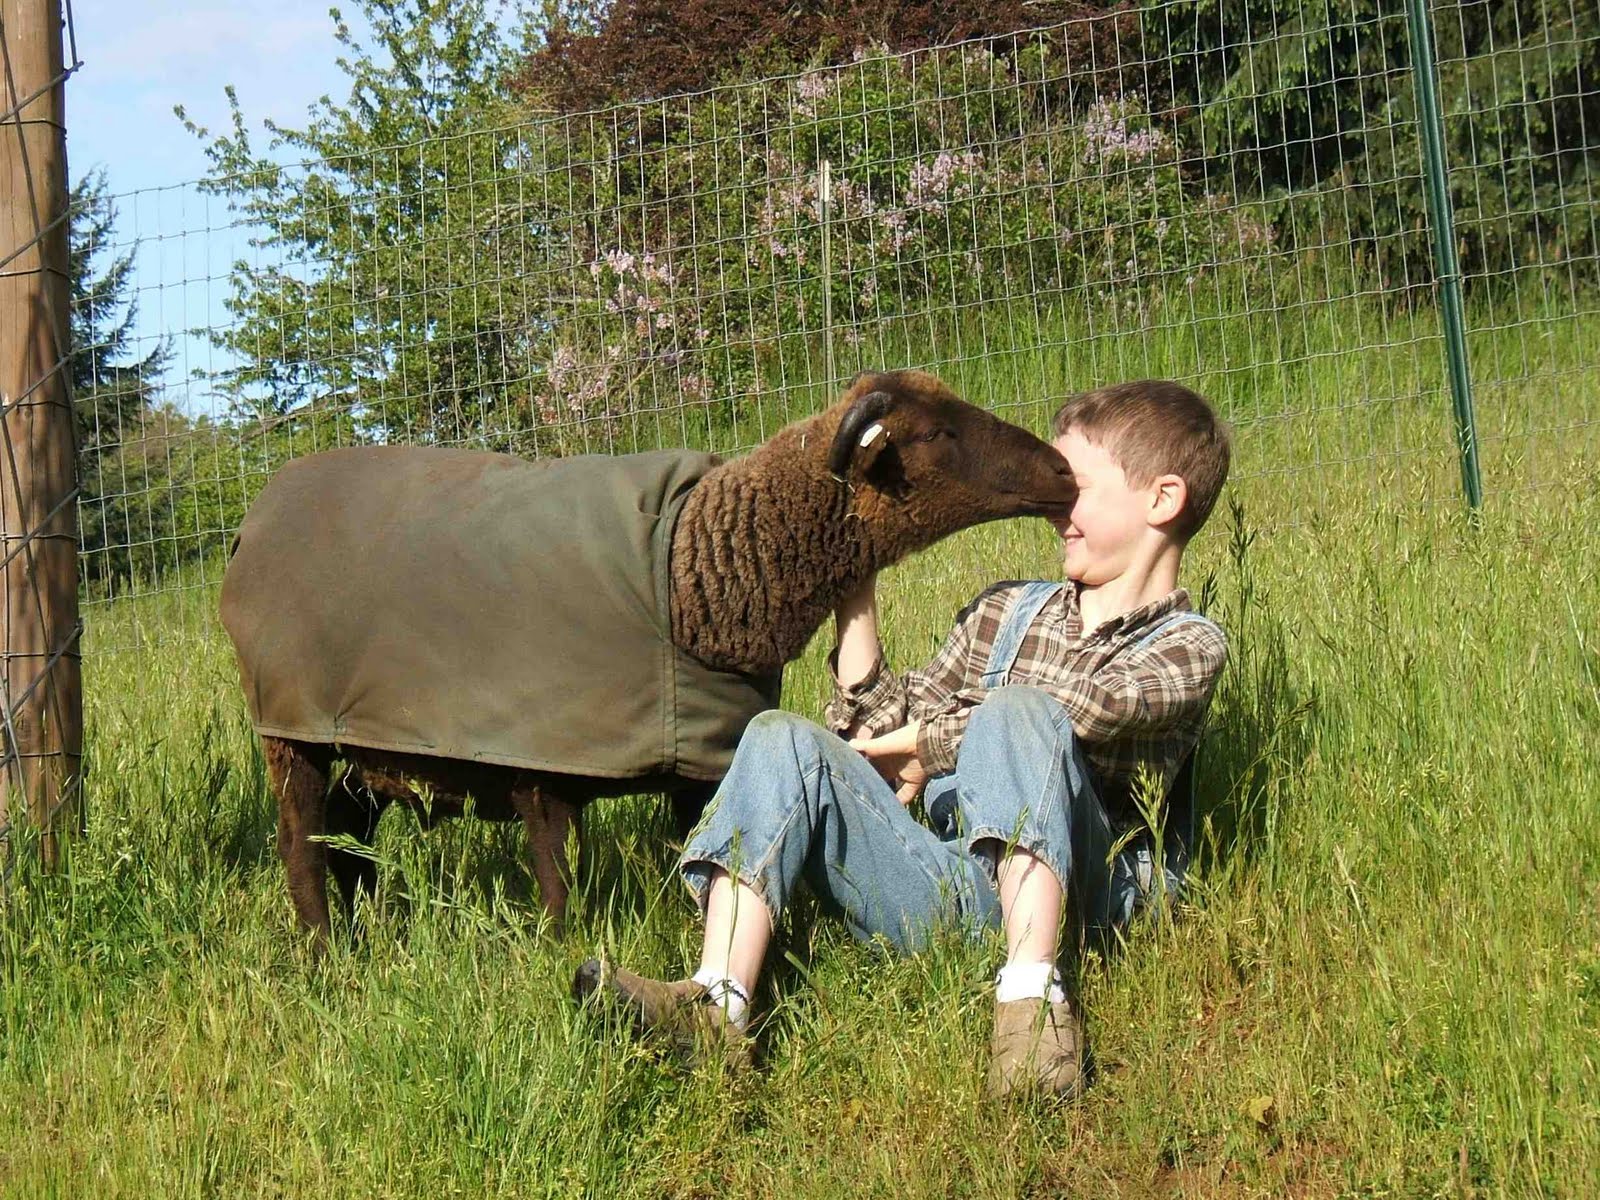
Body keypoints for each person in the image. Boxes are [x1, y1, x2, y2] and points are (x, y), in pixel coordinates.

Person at [572, 379, 1232, 1099]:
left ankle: (1033, 1005)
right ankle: (718, 1003)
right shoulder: (1004, 611)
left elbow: (1083, 709)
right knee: (780, 736)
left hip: (1081, 906)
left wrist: (929, 745)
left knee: (1021, 711)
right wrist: (853, 573)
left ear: (1162, 500)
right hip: (953, 886)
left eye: (1079, 484)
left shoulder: (1188, 645)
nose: (1059, 505)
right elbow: (879, 728)